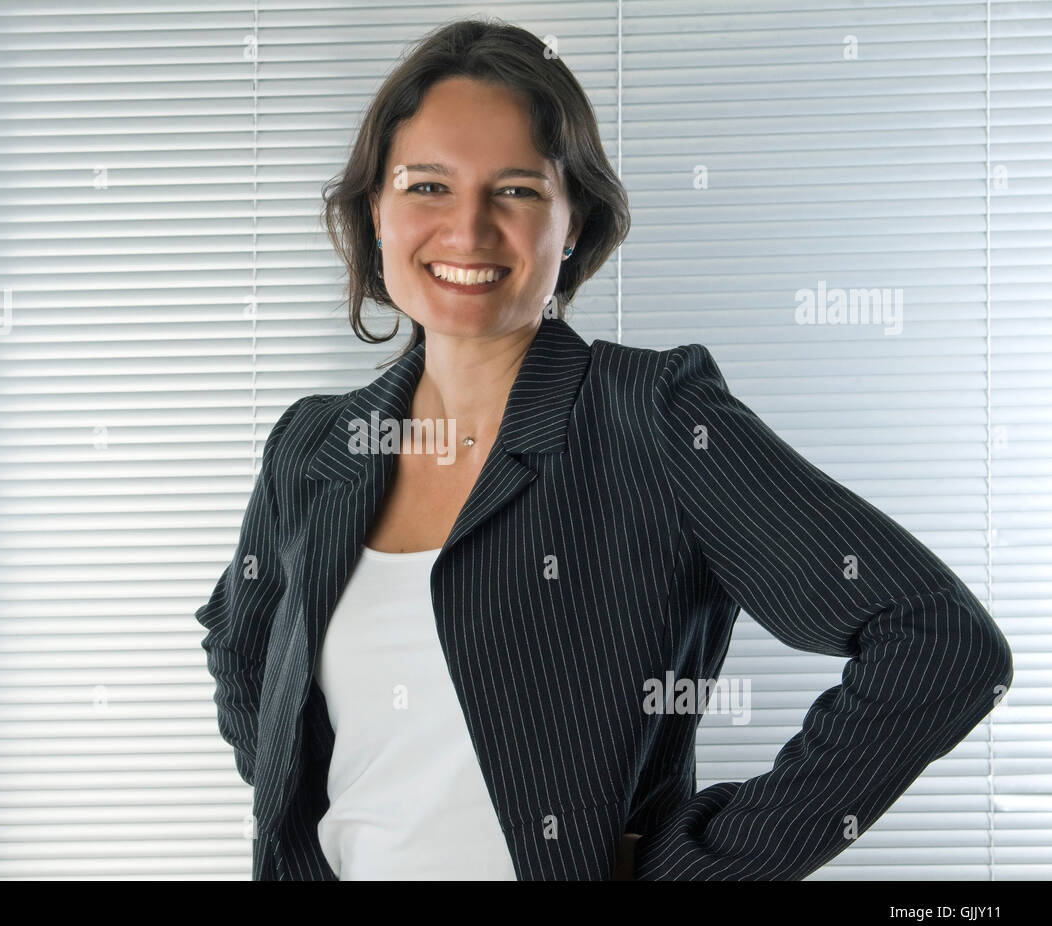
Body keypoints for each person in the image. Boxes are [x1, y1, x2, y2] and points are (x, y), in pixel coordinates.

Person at [196, 18, 1013, 880]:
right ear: (376, 211)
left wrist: (706, 865)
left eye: (514, 191)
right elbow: (241, 649)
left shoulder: (649, 418)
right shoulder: (315, 445)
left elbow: (939, 641)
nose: (467, 230)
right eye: (427, 186)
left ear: (574, 222)